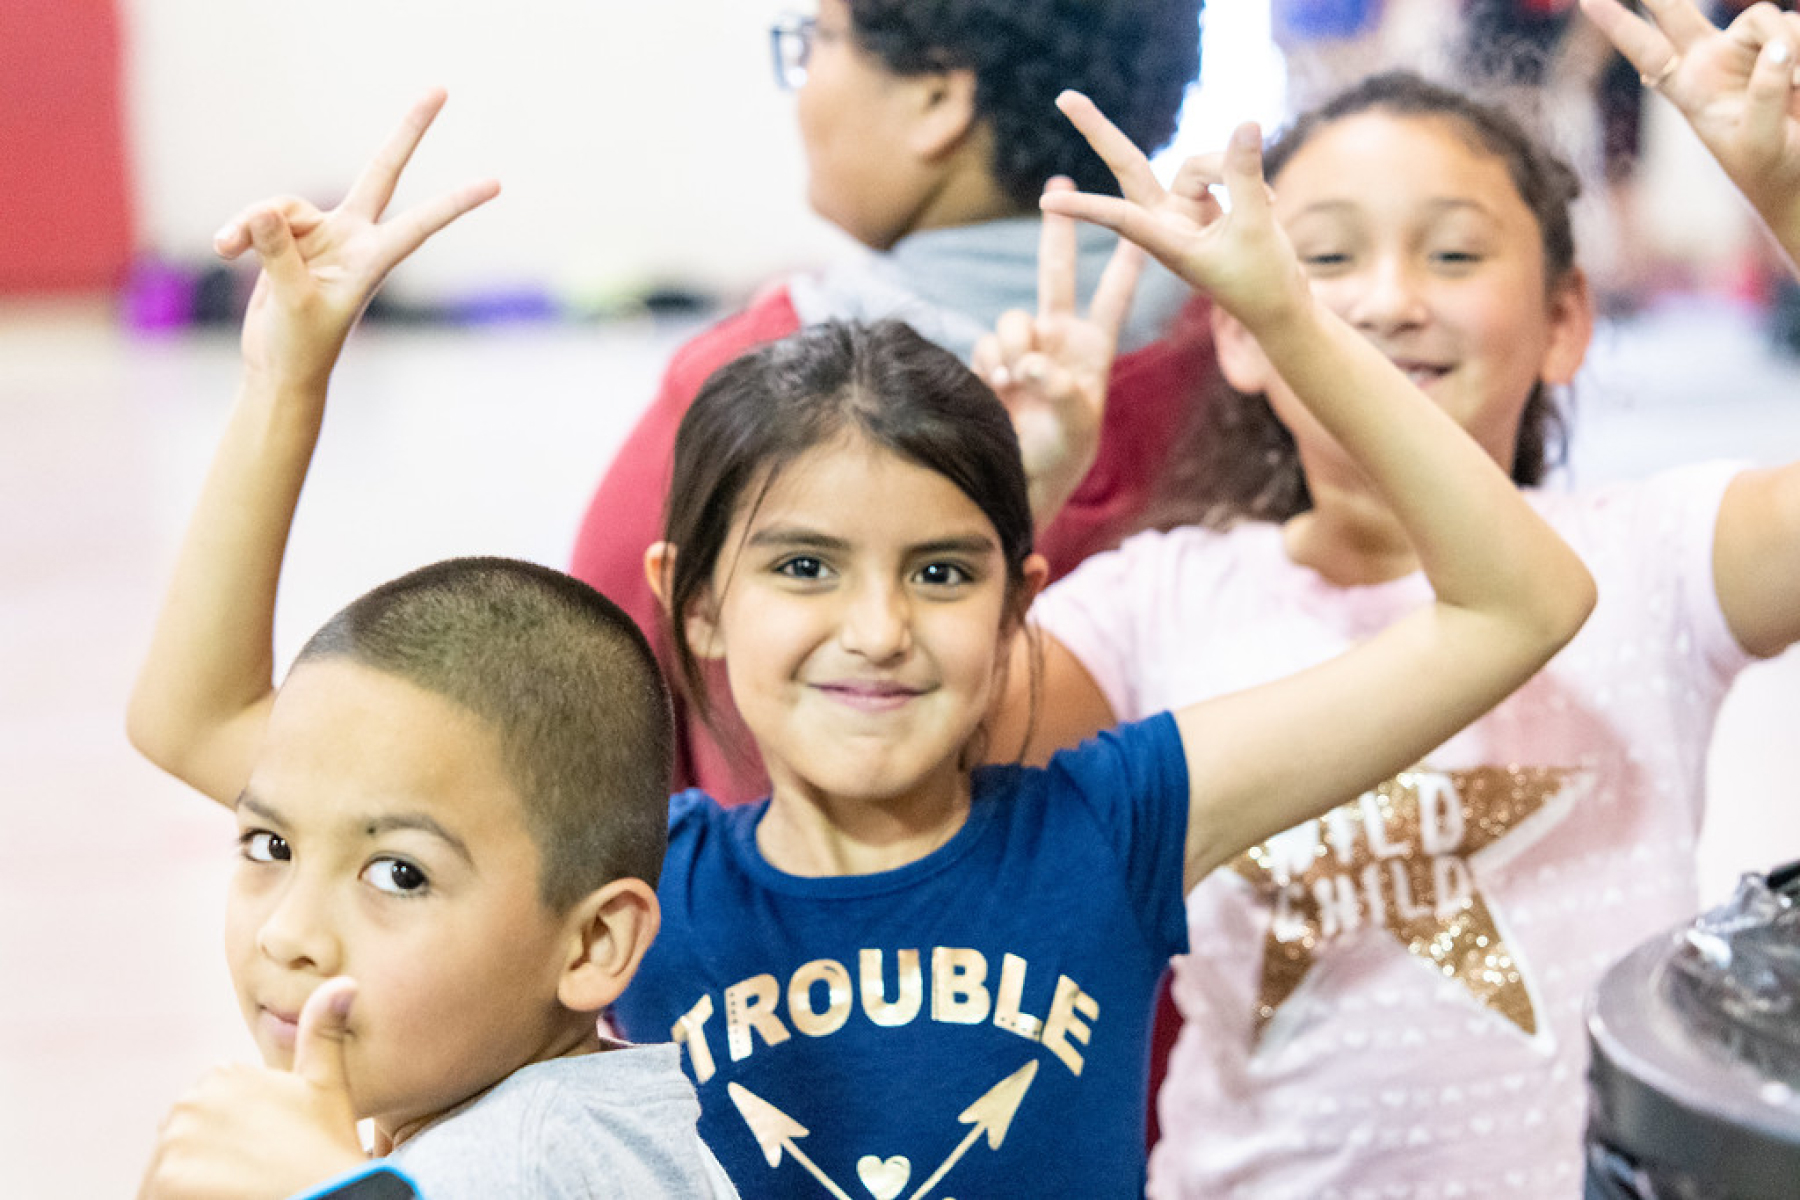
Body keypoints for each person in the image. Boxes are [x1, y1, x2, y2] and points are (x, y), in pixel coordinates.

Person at [125, 80, 1596, 1195]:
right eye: (807, 567)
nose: (877, 630)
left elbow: (1519, 605)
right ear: (694, 601)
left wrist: (1293, 319)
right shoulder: (641, 874)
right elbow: (197, 725)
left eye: (945, 574)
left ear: (1020, 594)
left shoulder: (1118, 823)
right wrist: (285, 383)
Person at [1013, 0, 1800, 1193]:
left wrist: (1787, 195)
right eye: (1322, 259)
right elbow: (934, 756)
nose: (1388, 300)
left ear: (1564, 323)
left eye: (1454, 252)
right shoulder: (1153, 602)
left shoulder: (1660, 557)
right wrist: (1012, 498)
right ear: (1237, 330)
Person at [127, 95, 737, 1200]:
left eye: (398, 874)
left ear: (594, 946)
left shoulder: (562, 1157)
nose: (294, 937)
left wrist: (321, 1192)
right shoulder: (499, 1107)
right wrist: (283, 379)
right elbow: (194, 724)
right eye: (267, 847)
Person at [567, 0, 1216, 804]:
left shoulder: (745, 389)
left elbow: (585, 741)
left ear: (938, 98)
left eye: (818, 43)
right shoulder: (1254, 368)